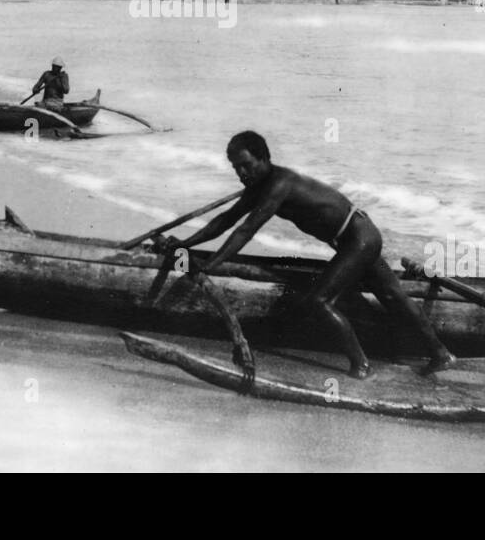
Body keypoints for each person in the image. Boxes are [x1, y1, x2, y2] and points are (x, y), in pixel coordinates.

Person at [158, 131, 455, 379]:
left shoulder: (278, 184)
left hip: (359, 239)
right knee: (393, 296)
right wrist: (185, 243)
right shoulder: (258, 186)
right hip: (359, 237)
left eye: (246, 165)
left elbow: (246, 230)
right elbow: (224, 221)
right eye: (236, 168)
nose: (241, 173)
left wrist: (213, 264)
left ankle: (361, 364)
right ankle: (441, 354)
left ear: (264, 158)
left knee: (318, 300)